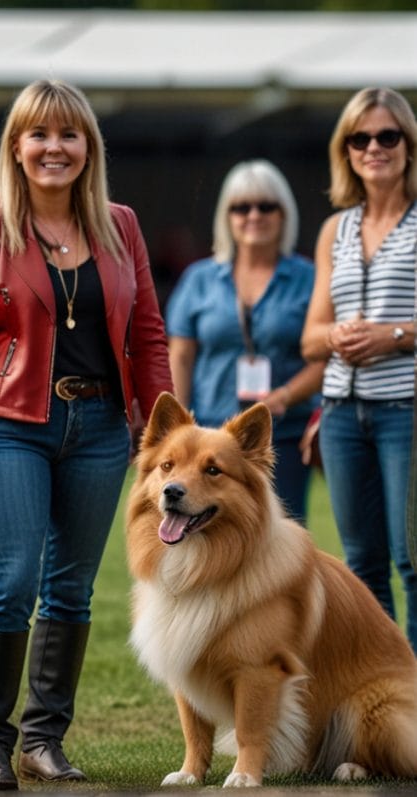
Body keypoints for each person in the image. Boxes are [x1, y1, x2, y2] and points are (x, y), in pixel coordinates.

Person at [0, 79, 173, 790]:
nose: (54, 147)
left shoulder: (120, 226)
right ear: (17, 146)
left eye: (69, 134)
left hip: (100, 426)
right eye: (39, 134)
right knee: (11, 582)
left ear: (88, 147)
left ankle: (42, 741)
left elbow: (148, 336)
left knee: (72, 589)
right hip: (7, 428)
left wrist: (165, 441)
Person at [301, 87, 417, 652]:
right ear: (345, 151)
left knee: (412, 558)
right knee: (362, 564)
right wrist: (338, 335)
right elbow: (310, 338)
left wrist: (393, 335)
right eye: (360, 138)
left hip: (406, 412)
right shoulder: (335, 230)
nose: (375, 147)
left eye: (387, 136)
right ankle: (385, 691)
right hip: (343, 414)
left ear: (409, 146)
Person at [166, 159, 324, 524]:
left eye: (266, 206)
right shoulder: (199, 279)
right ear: (227, 215)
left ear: (284, 214)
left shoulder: (309, 277)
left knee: (279, 533)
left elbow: (324, 358)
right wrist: (179, 426)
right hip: (206, 434)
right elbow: (182, 356)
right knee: (196, 530)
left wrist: (284, 396)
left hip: (279, 437)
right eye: (242, 207)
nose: (254, 215)